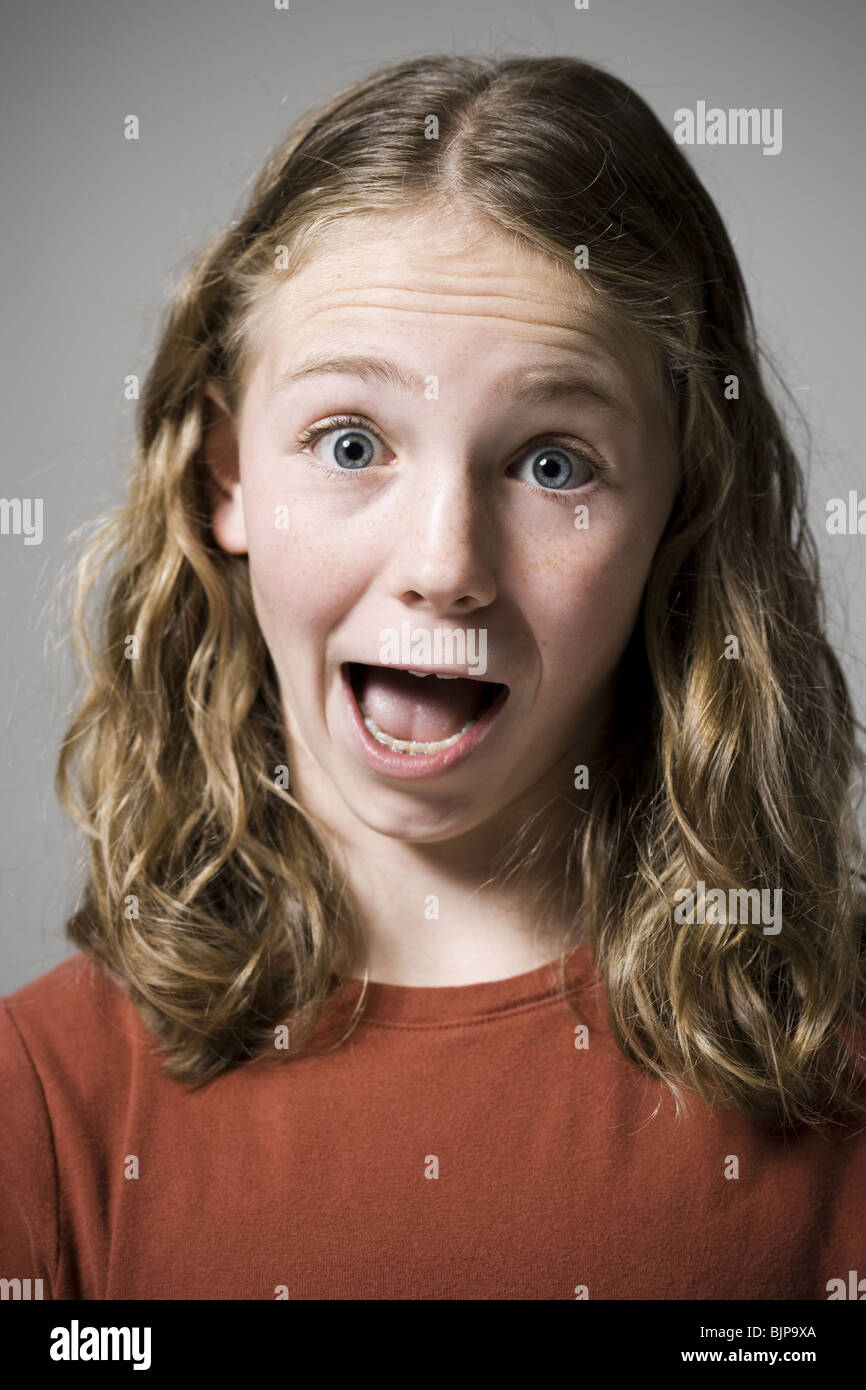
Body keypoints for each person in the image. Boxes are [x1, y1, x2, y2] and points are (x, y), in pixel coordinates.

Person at [1, 54, 864, 1301]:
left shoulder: (831, 1094)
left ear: (678, 508)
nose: (444, 565)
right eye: (350, 442)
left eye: (553, 464)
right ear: (226, 477)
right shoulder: (42, 1107)